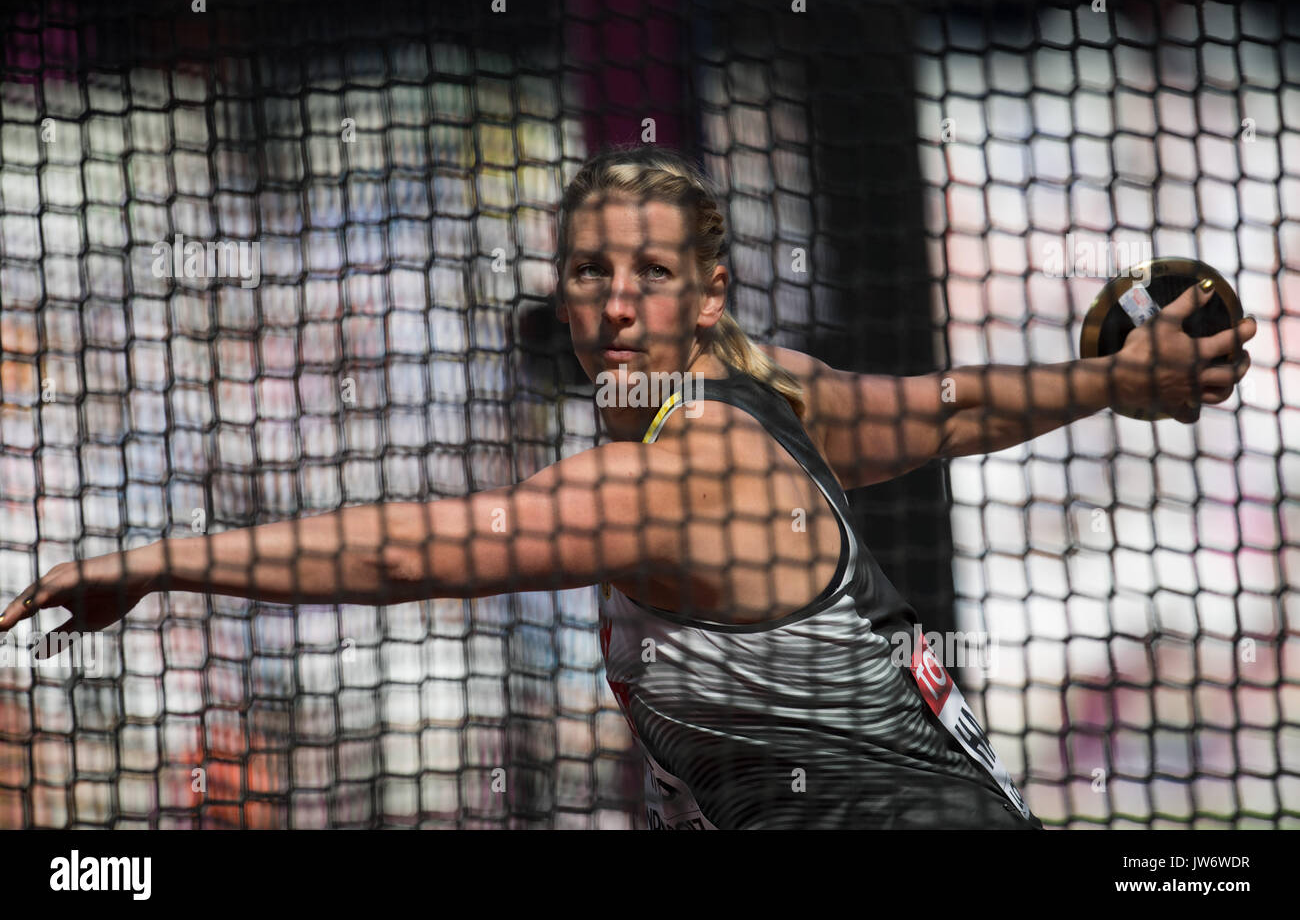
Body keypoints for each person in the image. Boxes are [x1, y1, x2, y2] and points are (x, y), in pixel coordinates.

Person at [0, 144, 1256, 829]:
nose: (611, 303)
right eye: (589, 271)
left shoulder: (672, 475)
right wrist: (1113, 384)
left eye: (648, 273)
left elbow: (401, 557)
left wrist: (158, 561)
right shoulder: (771, 389)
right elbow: (952, 407)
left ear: (706, 294)